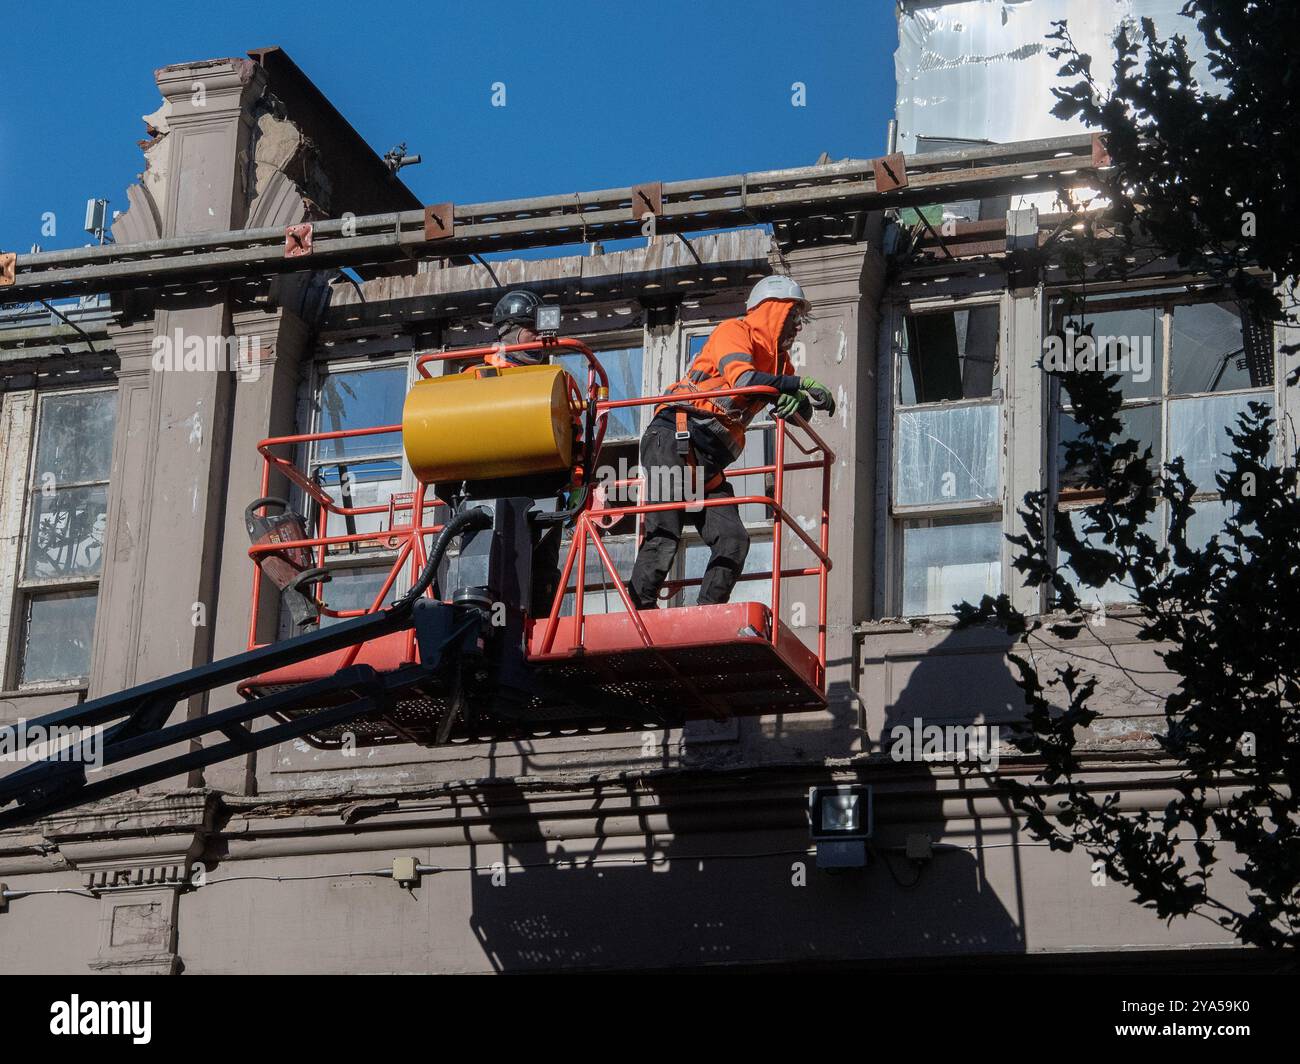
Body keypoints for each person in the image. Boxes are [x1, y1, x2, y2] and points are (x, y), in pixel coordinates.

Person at [626, 275, 835, 610]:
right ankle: (638, 614)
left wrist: (801, 404)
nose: (798, 327)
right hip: (674, 438)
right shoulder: (734, 331)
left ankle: (705, 612)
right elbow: (744, 380)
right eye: (793, 317)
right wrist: (799, 384)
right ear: (773, 311)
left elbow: (786, 402)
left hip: (707, 462)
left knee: (733, 540)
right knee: (664, 534)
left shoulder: (780, 364)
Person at [457, 289, 565, 615]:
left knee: (542, 573)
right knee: (484, 573)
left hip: (542, 495)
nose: (542, 339)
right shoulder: (474, 378)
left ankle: (533, 637)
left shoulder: (551, 384)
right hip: (488, 494)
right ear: (511, 332)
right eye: (534, 330)